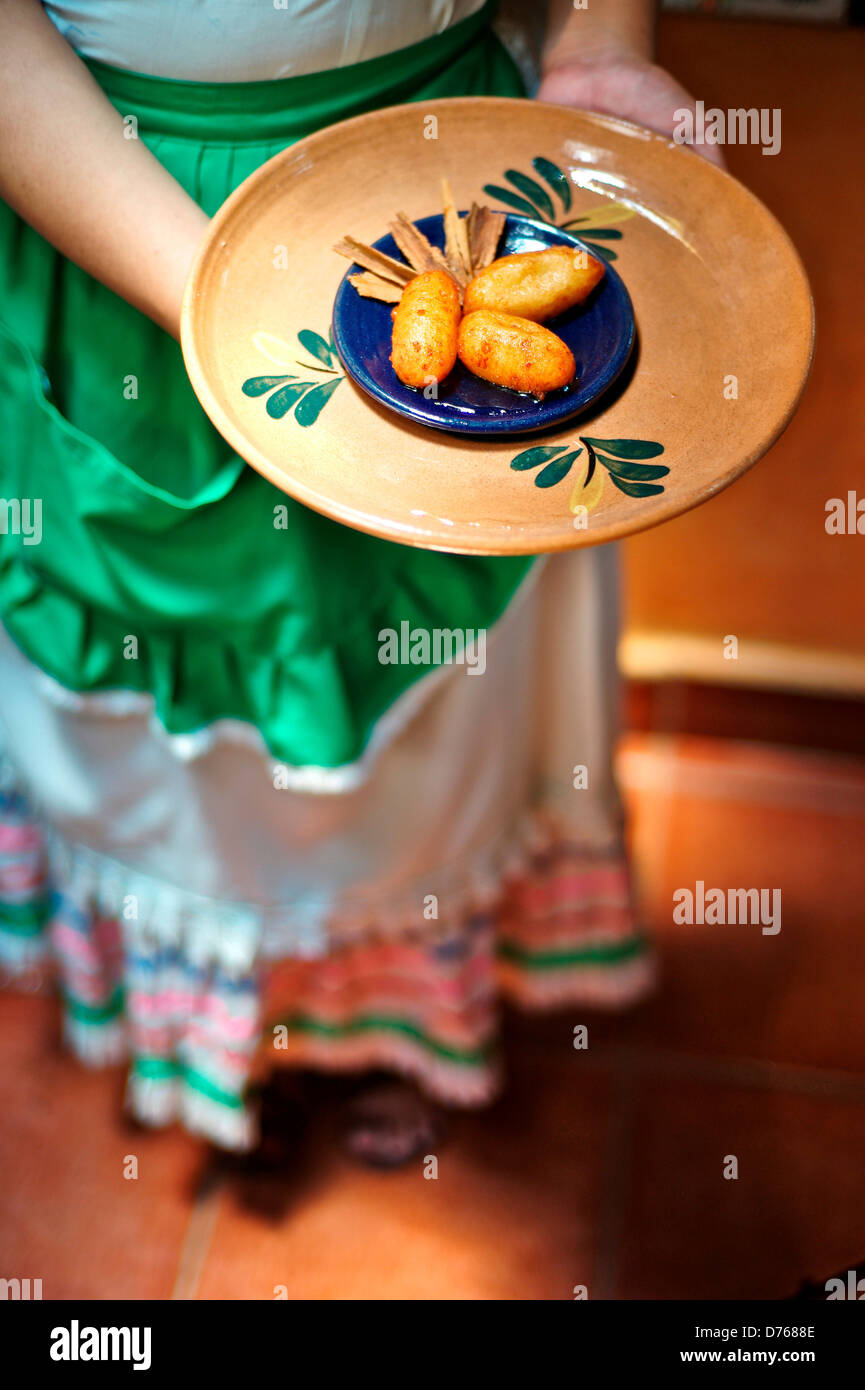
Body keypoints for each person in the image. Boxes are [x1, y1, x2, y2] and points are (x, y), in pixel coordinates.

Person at [0, 0, 718, 1164]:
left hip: (461, 185)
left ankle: (389, 1027)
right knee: (170, 725)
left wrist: (599, 39)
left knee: (438, 715)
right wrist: (221, 308)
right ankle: (197, 1025)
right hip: (118, 209)